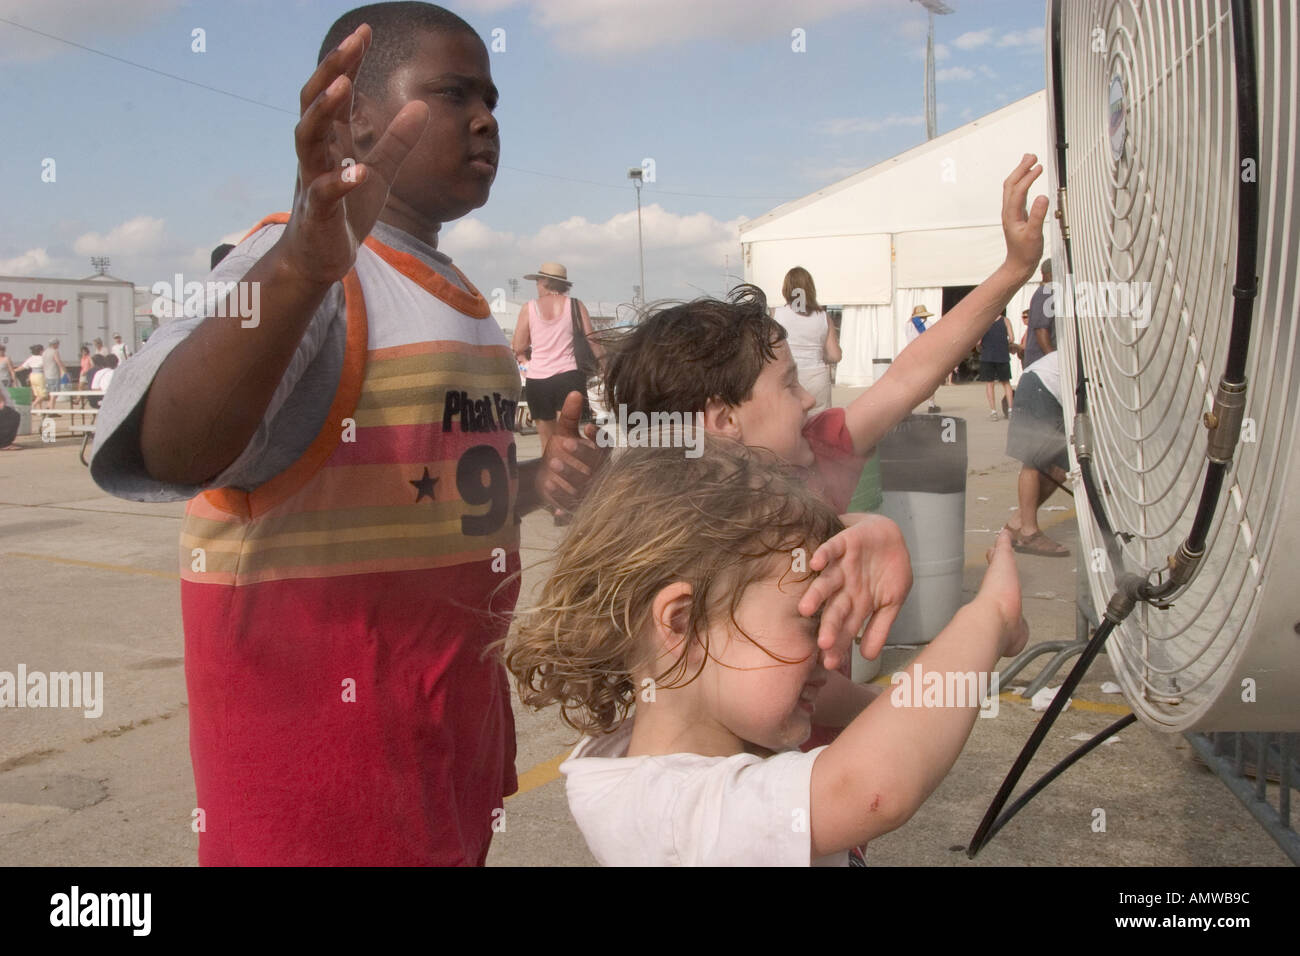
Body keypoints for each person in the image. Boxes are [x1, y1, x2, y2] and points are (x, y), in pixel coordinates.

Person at [90, 3, 605, 866]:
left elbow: (432, 489)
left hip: (445, 763)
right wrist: (296, 267)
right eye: (453, 92)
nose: (486, 119)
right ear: (351, 109)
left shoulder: (466, 299)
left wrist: (534, 479)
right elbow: (169, 451)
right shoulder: (302, 267)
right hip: (319, 803)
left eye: (493, 99)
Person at [602, 154, 1048, 660]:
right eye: (790, 385)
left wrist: (1014, 270)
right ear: (725, 419)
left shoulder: (815, 451)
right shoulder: (682, 544)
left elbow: (909, 376)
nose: (811, 397)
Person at [506, 440, 1028, 866]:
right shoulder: (668, 814)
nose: (830, 652)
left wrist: (873, 531)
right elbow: (872, 791)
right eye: (808, 622)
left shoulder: (689, 722)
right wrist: (990, 618)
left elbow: (792, 676)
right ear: (682, 622)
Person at [512, 262, 603, 453]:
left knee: (547, 444)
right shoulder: (575, 306)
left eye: (537, 281)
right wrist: (605, 366)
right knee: (569, 440)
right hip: (568, 376)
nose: (536, 285)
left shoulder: (528, 308)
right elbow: (593, 340)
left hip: (537, 380)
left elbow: (518, 346)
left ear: (545, 281)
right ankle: (576, 481)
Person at [1004, 349, 1069, 556]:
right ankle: (1028, 533)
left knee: (1060, 469)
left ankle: (1016, 523)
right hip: (1040, 385)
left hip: (1058, 395)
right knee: (1033, 462)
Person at [771, 266, 840, 414]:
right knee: (819, 426)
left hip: (788, 377)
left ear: (786, 289)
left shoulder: (776, 314)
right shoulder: (823, 317)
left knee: (790, 426)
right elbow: (835, 355)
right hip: (817, 378)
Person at [978, 310, 1015, 420]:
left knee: (990, 384)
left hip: (987, 356)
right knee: (1006, 383)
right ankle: (1010, 409)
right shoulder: (1006, 320)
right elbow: (1012, 338)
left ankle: (993, 411)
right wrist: (1003, 344)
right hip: (1002, 355)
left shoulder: (984, 322)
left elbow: (978, 342)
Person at [904, 304, 942, 413]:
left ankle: (909, 406)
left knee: (913, 382)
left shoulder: (907, 325)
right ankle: (931, 404)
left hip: (912, 354)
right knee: (930, 380)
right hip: (925, 354)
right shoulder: (928, 324)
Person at [1022, 258, 1055, 370]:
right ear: (1049, 274)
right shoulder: (1045, 293)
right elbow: (1041, 330)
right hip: (1041, 363)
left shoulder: (1050, 292)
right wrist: (1053, 360)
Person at [20, 345, 47, 410]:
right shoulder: (42, 358)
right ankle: (33, 404)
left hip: (32, 375)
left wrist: (13, 370)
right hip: (39, 375)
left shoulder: (31, 358)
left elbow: (23, 367)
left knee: (37, 394)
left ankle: (39, 410)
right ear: (40, 351)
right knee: (43, 394)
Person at [0, 381, 21, 449]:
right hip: (4, 407)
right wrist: (2, 403)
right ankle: (5, 443)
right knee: (13, 417)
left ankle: (4, 442)